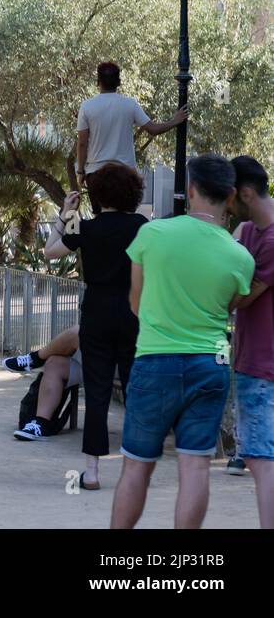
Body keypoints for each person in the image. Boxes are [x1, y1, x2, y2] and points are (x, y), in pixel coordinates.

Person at [111, 155, 255, 529]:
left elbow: (135, 302)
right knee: (195, 467)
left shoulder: (152, 234)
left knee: (136, 467)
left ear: (190, 190)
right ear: (229, 196)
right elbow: (230, 306)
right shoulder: (240, 257)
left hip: (155, 361)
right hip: (210, 364)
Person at [38, 164, 147, 487]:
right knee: (135, 393)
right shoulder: (143, 226)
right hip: (134, 312)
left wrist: (65, 214)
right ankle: (135, 470)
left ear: (98, 195)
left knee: (97, 394)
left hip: (96, 313)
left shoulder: (86, 227)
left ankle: (93, 472)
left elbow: (50, 252)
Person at [229, 155, 274, 527]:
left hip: (263, 367)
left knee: (261, 461)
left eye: (228, 196)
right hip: (251, 362)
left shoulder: (271, 238)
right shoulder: (246, 231)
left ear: (244, 193)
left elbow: (240, 298)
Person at [76, 61, 187, 192]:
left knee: (100, 213)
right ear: (119, 82)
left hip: (95, 173)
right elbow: (153, 129)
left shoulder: (87, 107)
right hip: (124, 173)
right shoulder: (130, 105)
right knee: (124, 212)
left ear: (98, 82)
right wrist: (174, 121)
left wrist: (80, 171)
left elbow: (82, 143)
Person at [9, 326, 82, 441]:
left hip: (116, 364)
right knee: (54, 363)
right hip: (94, 360)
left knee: (78, 332)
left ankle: (35, 358)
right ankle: (41, 423)